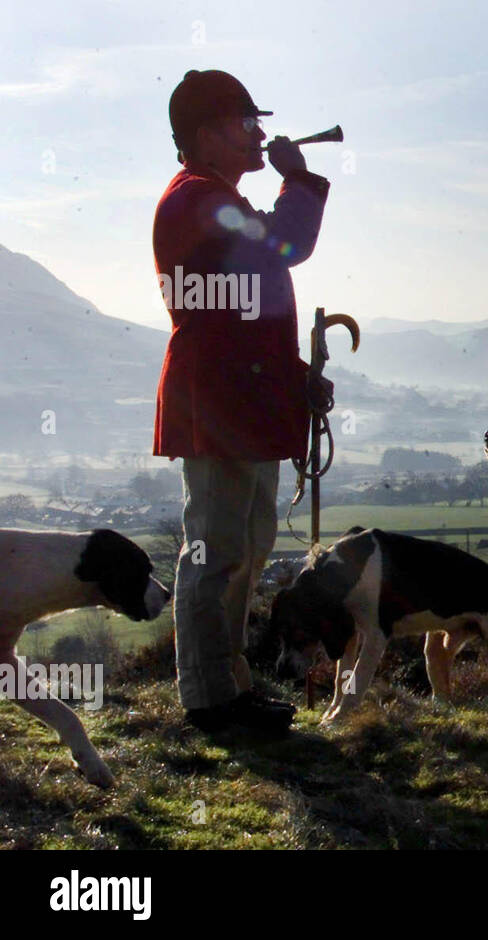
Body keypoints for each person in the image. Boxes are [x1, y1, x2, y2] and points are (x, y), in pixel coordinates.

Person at [153, 69, 332, 732]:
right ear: (206, 135)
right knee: (215, 554)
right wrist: (297, 176)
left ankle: (229, 687)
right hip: (222, 409)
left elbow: (244, 310)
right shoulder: (198, 199)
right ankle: (209, 698)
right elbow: (286, 246)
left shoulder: (209, 198)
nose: (260, 134)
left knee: (242, 552)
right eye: (245, 124)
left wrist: (294, 378)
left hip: (241, 403)